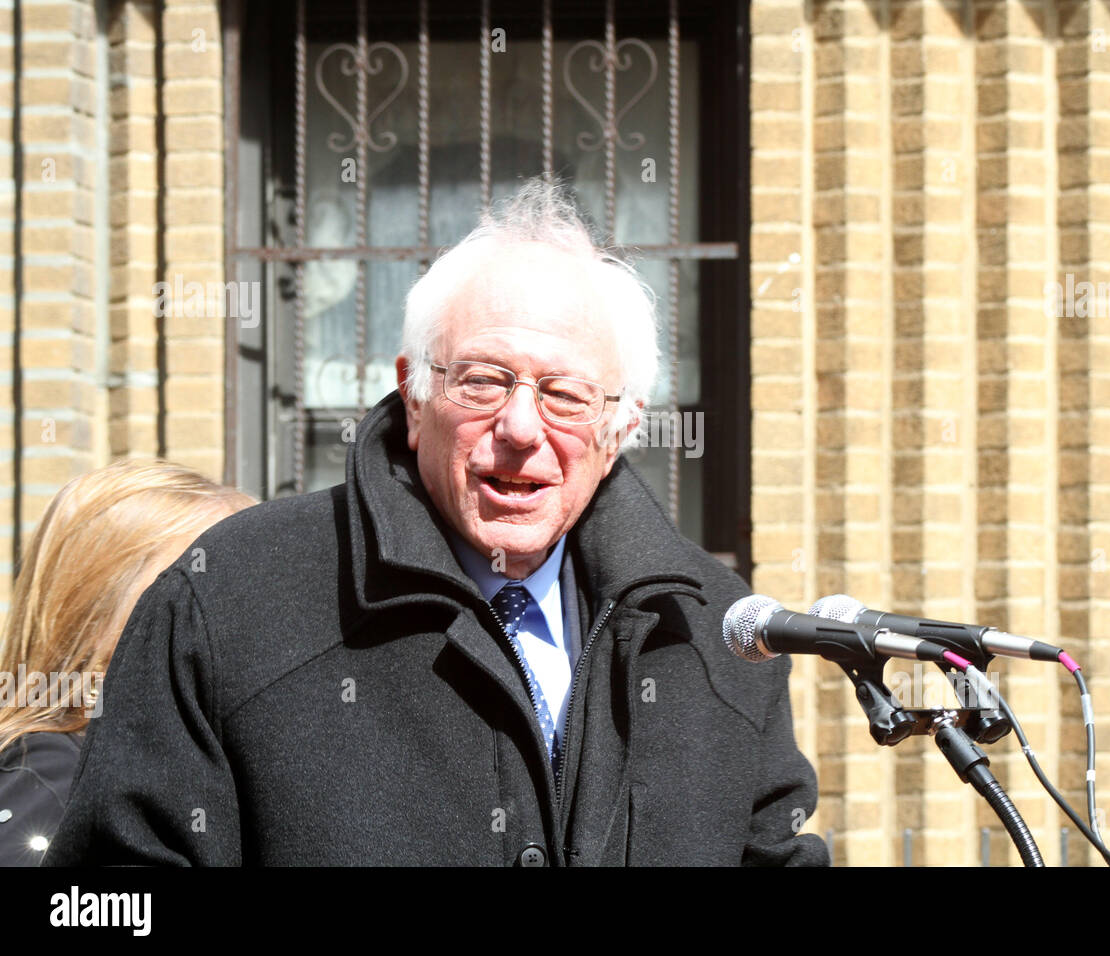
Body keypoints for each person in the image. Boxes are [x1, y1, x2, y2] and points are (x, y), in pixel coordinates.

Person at [45, 179, 829, 866]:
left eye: (565, 394)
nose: (522, 427)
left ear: (620, 426)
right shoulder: (230, 600)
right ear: (413, 398)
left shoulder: (712, 633)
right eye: (483, 381)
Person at [0, 461, 254, 866]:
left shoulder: (158, 759)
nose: (250, 615)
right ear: (94, 612)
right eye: (206, 589)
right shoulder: (57, 784)